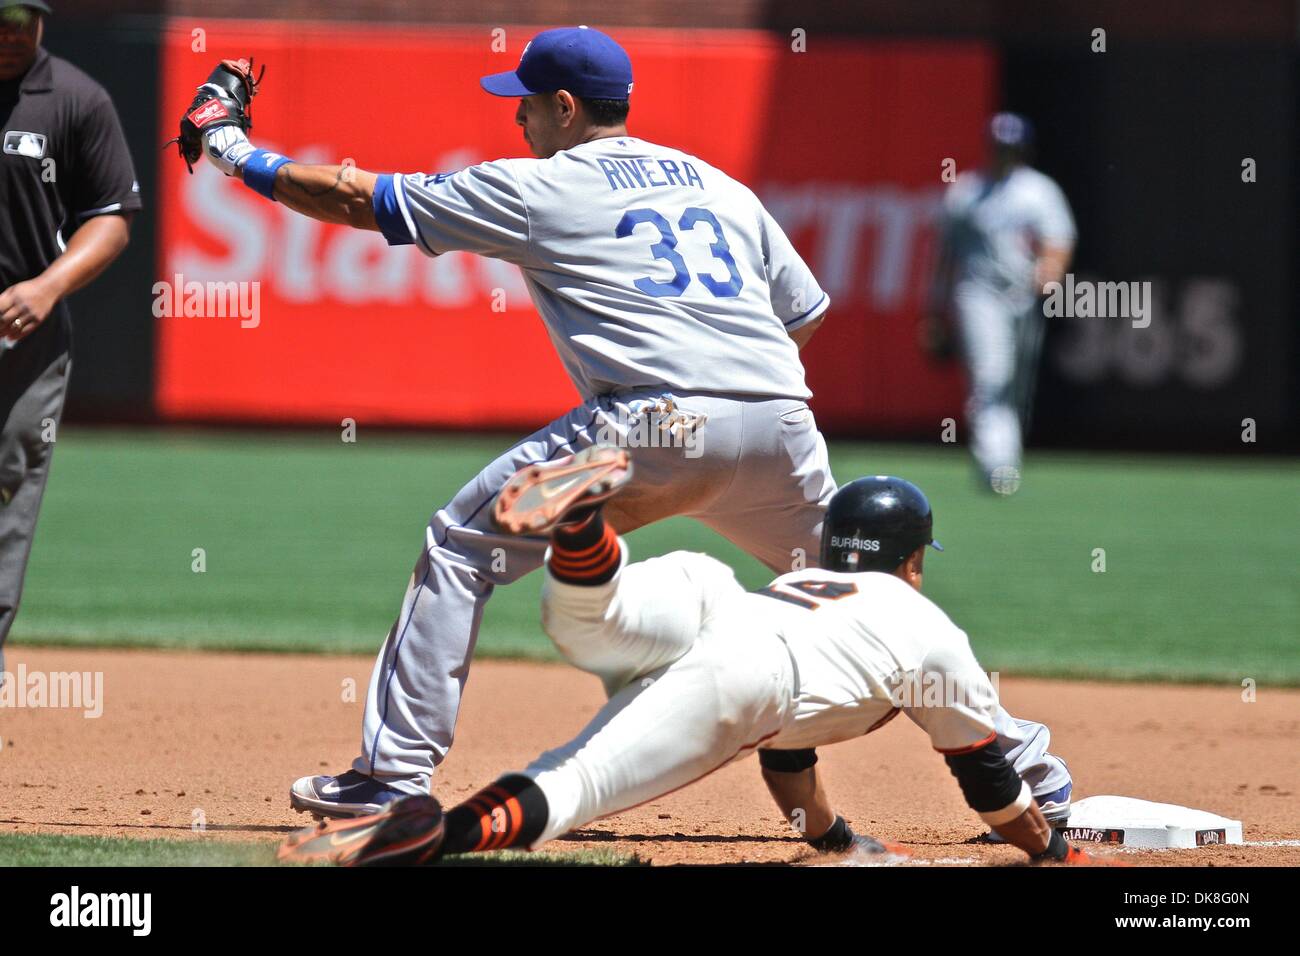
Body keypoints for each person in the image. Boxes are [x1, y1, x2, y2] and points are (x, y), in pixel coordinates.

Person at [178, 29, 1063, 824]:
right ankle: (1026, 760)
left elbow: (349, 195)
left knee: (459, 547)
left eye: (525, 101)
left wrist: (230, 147)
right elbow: (805, 313)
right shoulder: (719, 182)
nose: (517, 116)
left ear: (564, 107)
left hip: (645, 428)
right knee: (871, 592)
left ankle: (392, 778)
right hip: (779, 429)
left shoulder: (541, 185)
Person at [279, 453, 1089, 867]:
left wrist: (833, 837)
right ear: (914, 560)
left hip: (714, 596)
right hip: (749, 676)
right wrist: (1049, 848)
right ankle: (431, 837)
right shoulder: (928, 629)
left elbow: (791, 759)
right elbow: (990, 783)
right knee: (578, 782)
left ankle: (582, 531)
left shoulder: (806, 580)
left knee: (592, 625)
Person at [0, 0, 140, 675]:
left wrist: (48, 286)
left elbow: (111, 217)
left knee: (7, 481)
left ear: (41, 19)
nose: (8, 33)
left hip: (21, 334)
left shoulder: (77, 99)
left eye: (20, 20)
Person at [926, 113, 1075, 494]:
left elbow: (1058, 242)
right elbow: (945, 256)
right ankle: (997, 464)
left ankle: (1003, 457)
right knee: (991, 376)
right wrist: (934, 310)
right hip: (978, 292)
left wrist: (1049, 272)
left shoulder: (1038, 191)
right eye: (999, 146)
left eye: (1011, 147)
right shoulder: (966, 190)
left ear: (1022, 150)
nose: (1004, 154)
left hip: (1023, 294)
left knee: (1016, 383)